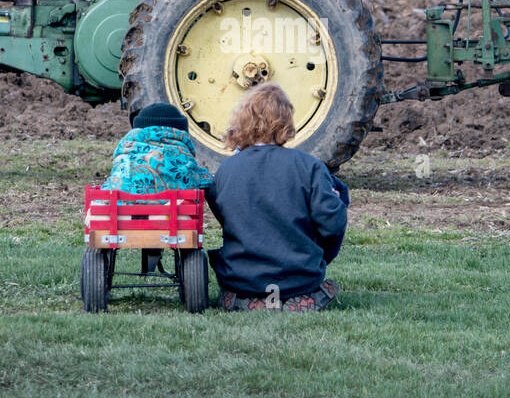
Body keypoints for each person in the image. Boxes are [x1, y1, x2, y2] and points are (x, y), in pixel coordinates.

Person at [204, 83, 348, 312]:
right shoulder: (309, 166)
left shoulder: (225, 171)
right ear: (286, 120)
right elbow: (333, 223)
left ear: (242, 120)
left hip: (241, 282)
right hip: (299, 282)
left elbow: (226, 217)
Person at [101, 102, 213, 274]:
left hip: (122, 218)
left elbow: (115, 179)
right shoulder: (182, 155)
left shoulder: (126, 151)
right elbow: (202, 181)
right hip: (171, 220)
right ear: (181, 131)